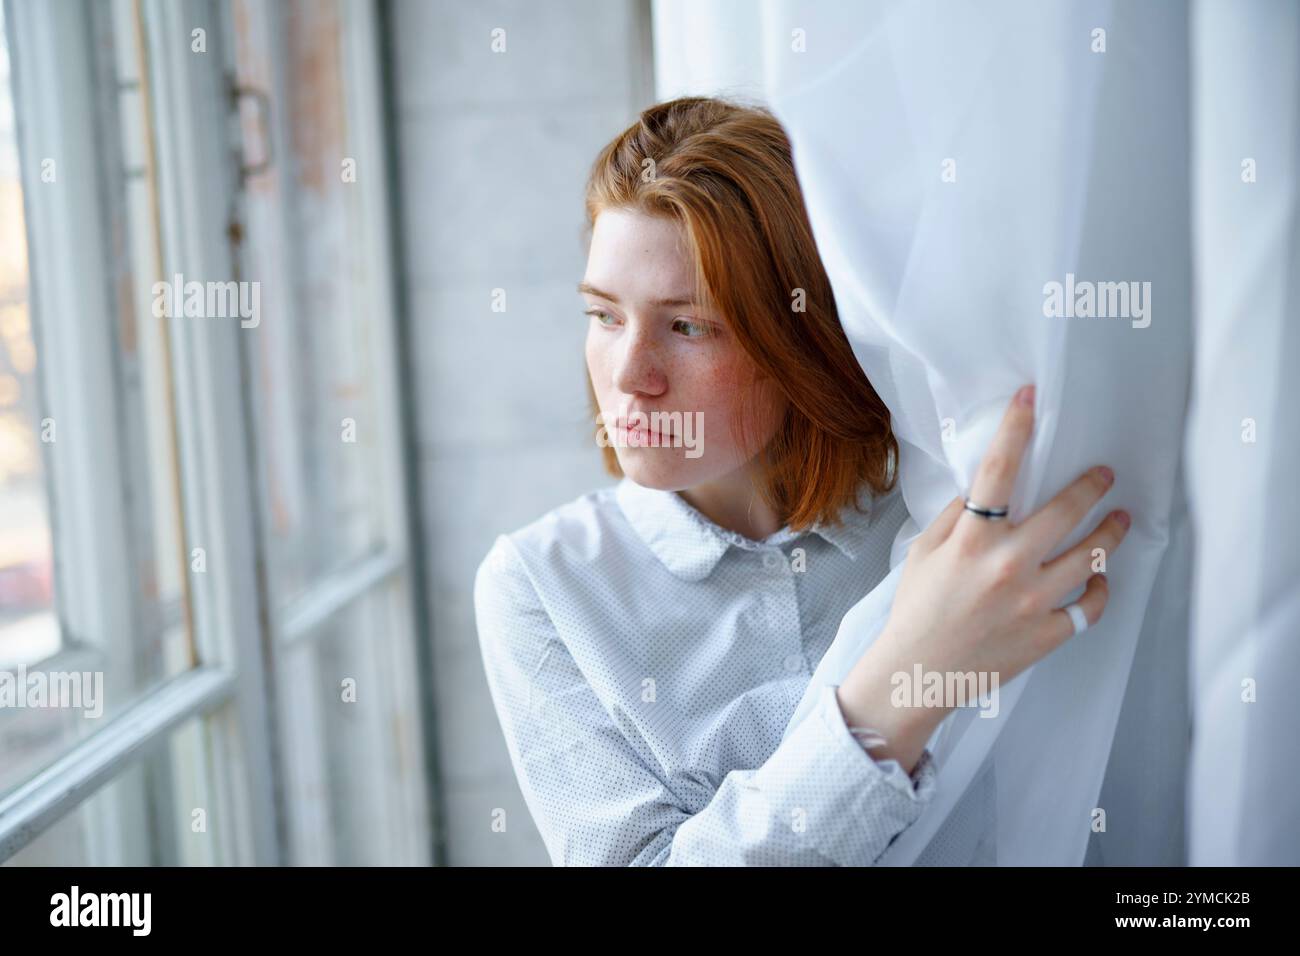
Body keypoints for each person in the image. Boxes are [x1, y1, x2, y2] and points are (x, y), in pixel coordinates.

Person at [473, 97, 1128, 866]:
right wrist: (903, 688)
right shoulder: (544, 587)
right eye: (605, 315)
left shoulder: (936, 513)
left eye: (688, 326)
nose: (629, 376)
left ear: (800, 337)